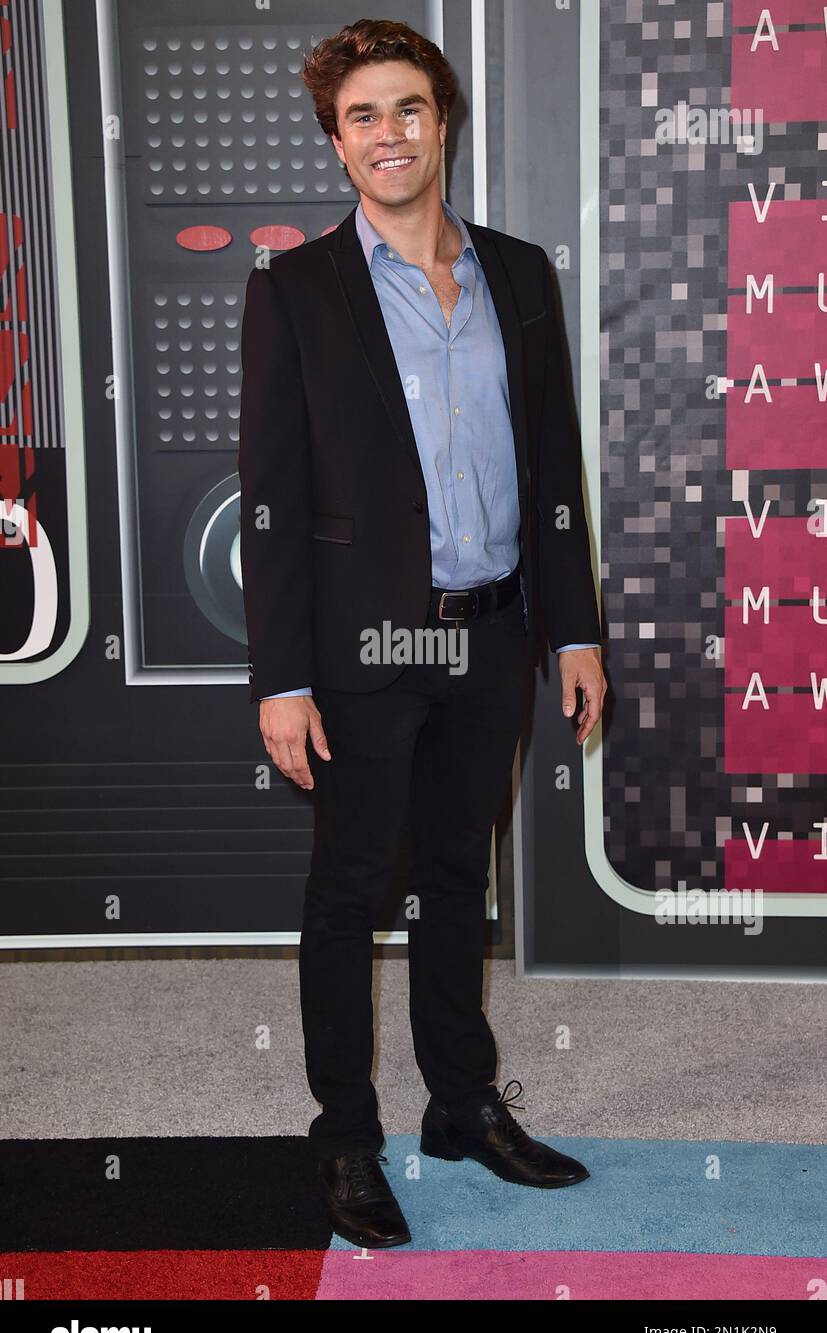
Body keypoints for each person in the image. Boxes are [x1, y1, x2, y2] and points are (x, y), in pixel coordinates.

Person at [238, 18, 607, 1250]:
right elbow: (275, 497)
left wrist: (572, 631)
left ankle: (459, 1106)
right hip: (360, 649)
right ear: (336, 144)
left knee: (459, 882)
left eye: (407, 108)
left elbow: (552, 463)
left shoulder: (517, 270)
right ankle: (344, 1134)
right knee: (350, 894)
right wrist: (281, 676)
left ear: (441, 122)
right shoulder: (294, 288)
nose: (389, 134)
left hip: (491, 632)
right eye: (362, 117)